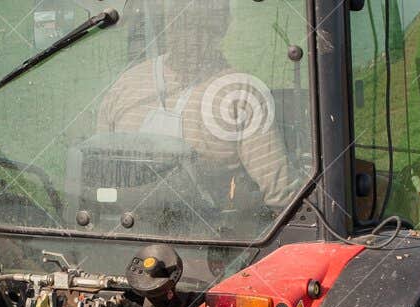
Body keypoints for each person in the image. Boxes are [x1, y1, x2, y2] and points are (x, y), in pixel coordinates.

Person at [95, 0, 303, 216]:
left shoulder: (242, 93)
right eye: (182, 24)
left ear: (223, 28)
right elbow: (99, 171)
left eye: (204, 27)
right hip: (122, 233)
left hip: (213, 238)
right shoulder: (127, 86)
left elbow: (282, 196)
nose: (191, 38)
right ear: (167, 25)